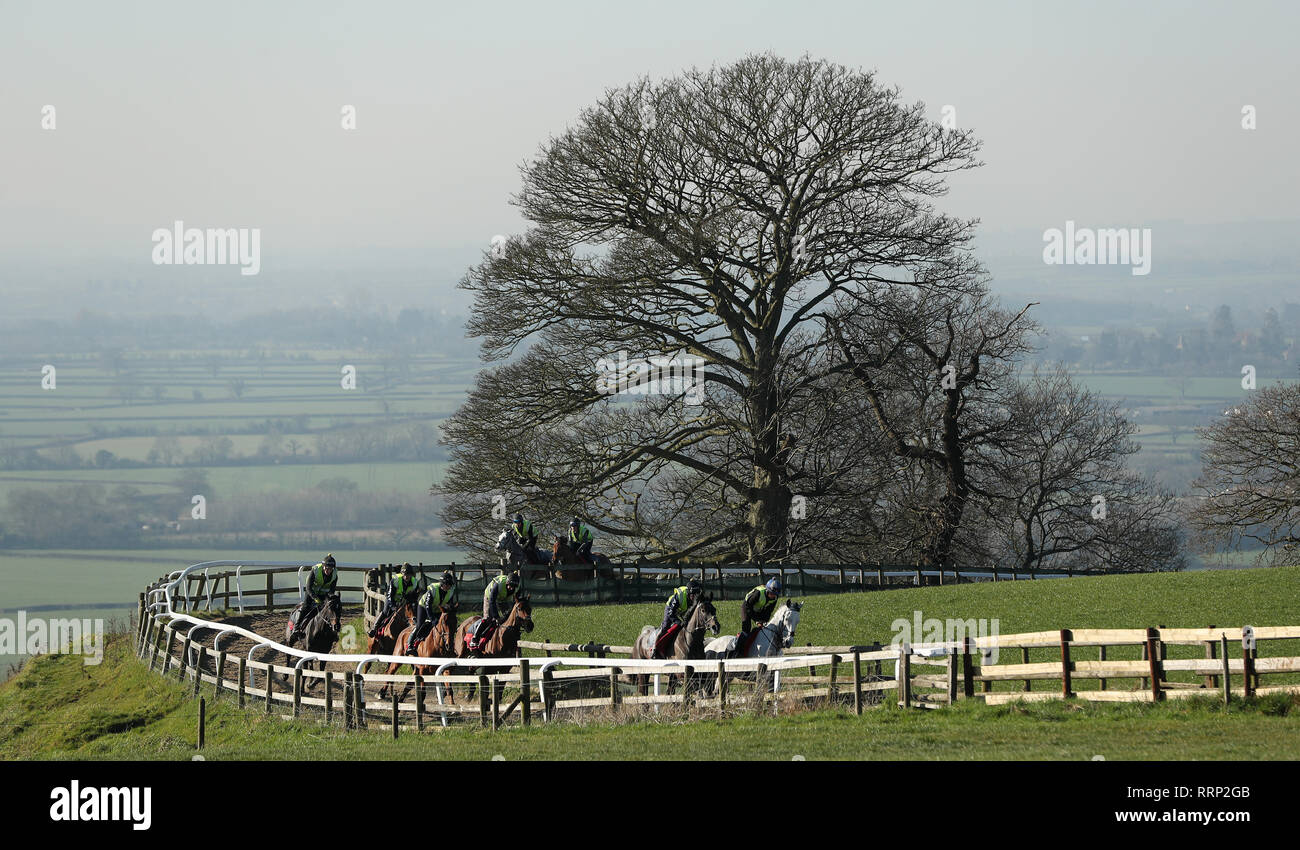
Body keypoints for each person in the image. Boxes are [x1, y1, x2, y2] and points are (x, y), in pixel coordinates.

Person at [406, 571, 458, 653]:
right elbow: (428, 606)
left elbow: (449, 605)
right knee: (420, 624)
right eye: (447, 584)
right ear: (441, 584)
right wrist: (432, 619)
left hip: (437, 608)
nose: (448, 586)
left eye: (450, 584)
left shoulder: (451, 591)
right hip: (424, 607)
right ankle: (410, 643)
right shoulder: (433, 589)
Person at [292, 554, 338, 642]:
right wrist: (315, 598)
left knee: (331, 610)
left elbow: (332, 590)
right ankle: (296, 628)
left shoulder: (335, 575)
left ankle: (334, 632)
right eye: (326, 568)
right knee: (306, 607)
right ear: (323, 566)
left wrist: (330, 599)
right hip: (311, 593)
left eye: (330, 569)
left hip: (324, 595)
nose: (328, 571)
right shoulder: (315, 570)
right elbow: (308, 587)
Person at [653, 578, 702, 658]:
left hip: (683, 610)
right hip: (671, 608)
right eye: (692, 595)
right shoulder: (680, 595)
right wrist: (679, 622)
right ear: (688, 593)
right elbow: (671, 614)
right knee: (666, 625)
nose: (694, 598)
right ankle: (655, 647)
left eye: (696, 595)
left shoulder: (696, 598)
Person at [369, 562, 421, 638]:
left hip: (404, 602)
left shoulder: (415, 582)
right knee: (385, 612)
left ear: (411, 575)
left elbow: (415, 597)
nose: (406, 576)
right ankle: (374, 628)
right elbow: (390, 596)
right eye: (405, 574)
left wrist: (409, 599)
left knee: (413, 612)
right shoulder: (396, 580)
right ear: (402, 574)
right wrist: (393, 607)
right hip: (392, 600)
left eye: (408, 574)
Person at [470, 570, 520, 647]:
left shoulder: (517, 587)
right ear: (507, 583)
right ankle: (475, 638)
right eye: (510, 586)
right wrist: (496, 617)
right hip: (490, 597)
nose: (511, 588)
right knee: (488, 618)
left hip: (503, 598)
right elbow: (492, 601)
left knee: (508, 617)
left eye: (513, 587)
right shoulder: (498, 584)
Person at [737, 577, 782, 654]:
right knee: (746, 629)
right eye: (771, 593)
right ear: (767, 590)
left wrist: (764, 622)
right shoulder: (758, 593)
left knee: (763, 628)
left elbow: (768, 611)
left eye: (775, 594)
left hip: (759, 609)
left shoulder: (775, 597)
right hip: (747, 607)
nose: (773, 596)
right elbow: (748, 607)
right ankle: (737, 651)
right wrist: (757, 620)